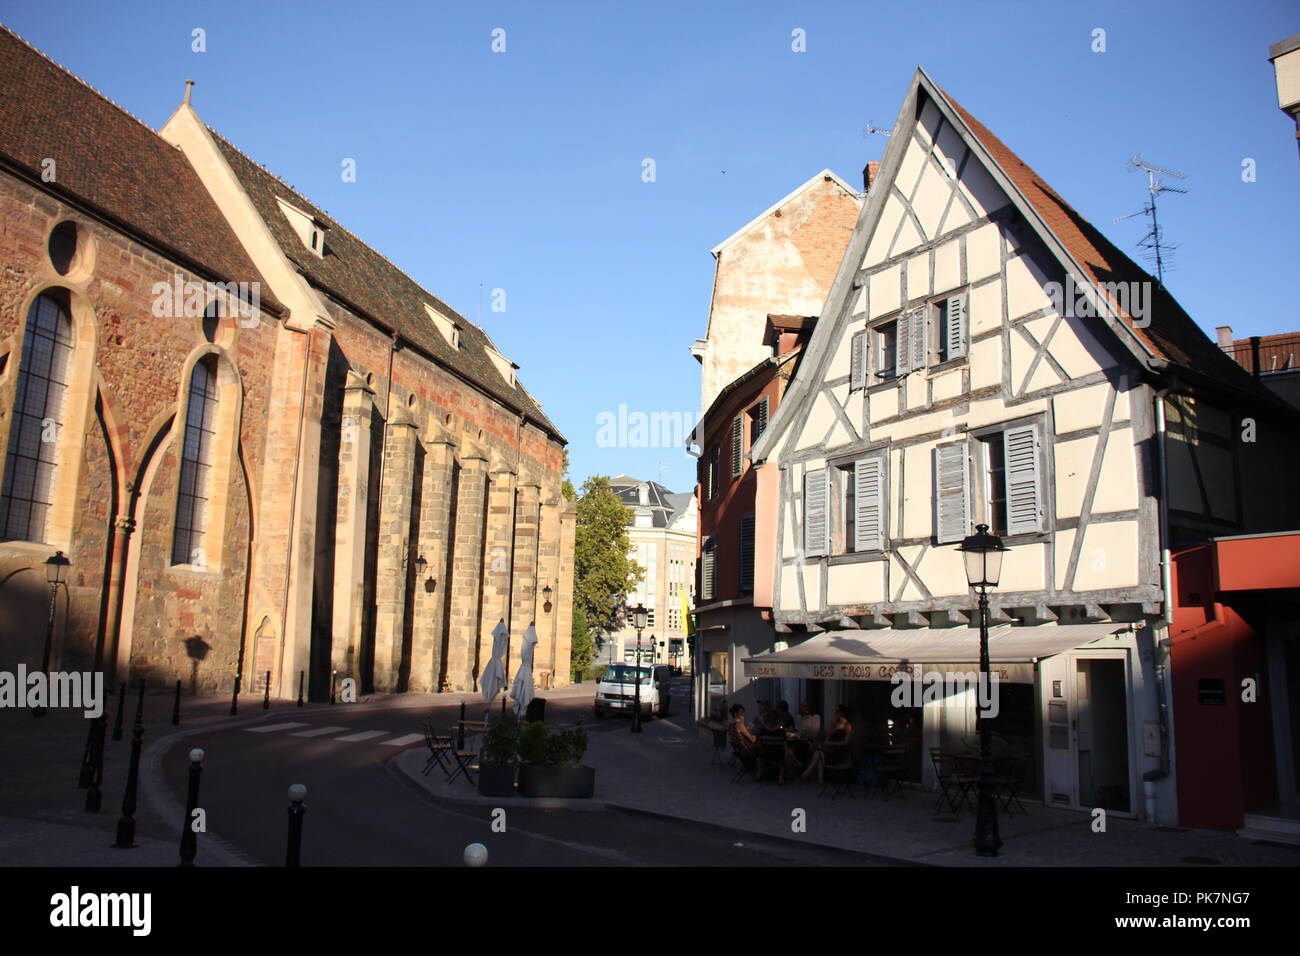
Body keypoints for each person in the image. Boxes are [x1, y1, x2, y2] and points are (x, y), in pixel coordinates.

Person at [801, 705, 854, 784]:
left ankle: (809, 770)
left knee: (819, 751)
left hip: (838, 749)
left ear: (841, 714)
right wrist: (836, 728)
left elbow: (845, 742)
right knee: (820, 751)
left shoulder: (848, 726)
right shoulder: (836, 722)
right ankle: (819, 778)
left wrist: (831, 743)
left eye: (837, 712)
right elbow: (828, 734)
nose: (836, 714)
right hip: (829, 747)